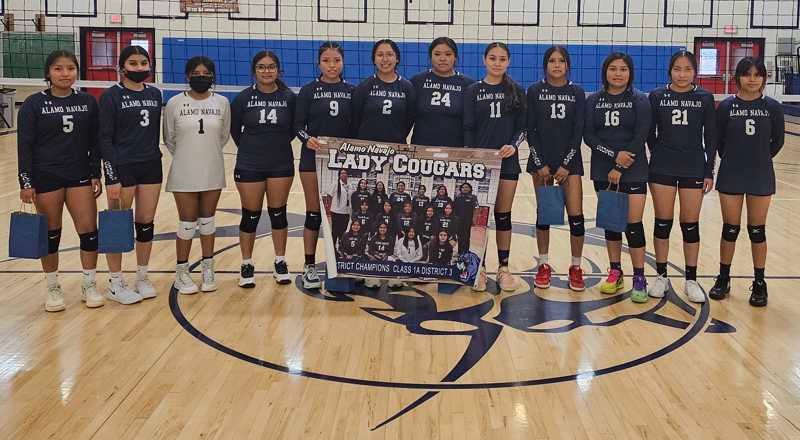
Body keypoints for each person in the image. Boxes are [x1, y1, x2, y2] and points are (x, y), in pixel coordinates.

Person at [17, 49, 103, 312]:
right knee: (50, 234)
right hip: (46, 176)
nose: (65, 73)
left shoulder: (88, 102)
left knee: (88, 231)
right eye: (58, 68)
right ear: (48, 73)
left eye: (70, 68)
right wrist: (26, 182)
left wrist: (95, 173)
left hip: (78, 175)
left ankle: (89, 283)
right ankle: (53, 287)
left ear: (77, 71)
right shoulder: (33, 104)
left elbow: (95, 142)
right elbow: (25, 145)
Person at [709, 57, 784, 307]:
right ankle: (723, 278)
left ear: (764, 78)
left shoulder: (772, 107)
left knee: (757, 230)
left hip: (761, 173)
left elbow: (778, 141)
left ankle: (760, 282)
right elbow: (718, 141)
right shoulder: (727, 106)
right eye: (747, 74)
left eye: (757, 74)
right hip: (731, 172)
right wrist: (734, 159)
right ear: (738, 77)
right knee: (730, 228)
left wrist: (759, 159)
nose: (752, 79)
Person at [646, 50, 717, 303]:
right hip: (662, 167)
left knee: (690, 223)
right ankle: (661, 276)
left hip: (693, 166)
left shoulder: (705, 98)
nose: (682, 74)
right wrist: (659, 152)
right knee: (662, 221)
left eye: (687, 69)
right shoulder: (656, 96)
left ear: (694, 72)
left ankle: (691, 279)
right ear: (670, 71)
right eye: (677, 69)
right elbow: (648, 131)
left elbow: (711, 137)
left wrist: (709, 170)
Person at [584, 52, 652, 303]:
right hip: (604, 168)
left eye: (623, 69)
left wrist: (621, 166)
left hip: (634, 169)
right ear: (605, 72)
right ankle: (615, 271)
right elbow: (589, 136)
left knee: (633, 225)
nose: (618, 73)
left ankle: (639, 276)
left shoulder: (640, 101)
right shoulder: (593, 101)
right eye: (613, 69)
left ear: (630, 72)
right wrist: (613, 157)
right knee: (612, 224)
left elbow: (641, 135)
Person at [99, 45, 163, 304]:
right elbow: (104, 139)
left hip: (150, 165)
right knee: (117, 224)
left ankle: (142, 277)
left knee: (145, 223)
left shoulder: (155, 94)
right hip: (122, 166)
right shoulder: (111, 96)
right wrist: (111, 177)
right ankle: (115, 282)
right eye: (133, 63)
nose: (139, 68)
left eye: (143, 63)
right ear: (122, 67)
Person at [163, 56, 230, 295]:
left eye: (206, 73)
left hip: (212, 168)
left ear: (212, 76)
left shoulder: (222, 102)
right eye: (196, 73)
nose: (201, 76)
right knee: (187, 223)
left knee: (208, 222)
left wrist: (204, 153)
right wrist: (188, 155)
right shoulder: (173, 103)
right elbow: (169, 138)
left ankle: (208, 269)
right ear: (187, 76)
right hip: (184, 171)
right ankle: (182, 272)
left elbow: (223, 136)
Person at [464, 42, 526, 292]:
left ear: (508, 62)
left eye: (502, 59)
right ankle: (479, 268)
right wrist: (472, 155)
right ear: (484, 60)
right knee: (480, 219)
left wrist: (513, 145)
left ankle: (504, 268)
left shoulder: (516, 91)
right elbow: (467, 127)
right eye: (492, 58)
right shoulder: (472, 91)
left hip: (507, 162)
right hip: (480, 164)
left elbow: (522, 128)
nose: (497, 63)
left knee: (503, 216)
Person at [231, 50, 297, 288]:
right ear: (254, 70)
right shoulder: (243, 98)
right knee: (250, 215)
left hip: (280, 163)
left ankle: (280, 261)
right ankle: (247, 263)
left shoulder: (289, 98)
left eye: (271, 67)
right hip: (249, 163)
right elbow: (234, 130)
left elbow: (293, 129)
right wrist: (252, 148)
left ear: (279, 70)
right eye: (261, 67)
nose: (266, 71)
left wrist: (273, 144)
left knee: (278, 213)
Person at [526, 45, 587, 291]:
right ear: (546, 65)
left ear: (567, 65)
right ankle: (543, 265)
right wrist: (540, 164)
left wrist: (565, 164)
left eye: (561, 60)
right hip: (540, 163)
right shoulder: (535, 91)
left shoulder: (577, 92)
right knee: (545, 215)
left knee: (576, 217)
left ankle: (575, 267)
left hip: (569, 164)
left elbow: (578, 130)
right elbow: (531, 130)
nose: (557, 65)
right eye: (552, 60)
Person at [295, 41, 355, 289]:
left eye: (336, 60)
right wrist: (307, 139)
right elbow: (296, 126)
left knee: (343, 215)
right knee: (314, 213)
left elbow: (358, 127)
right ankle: (309, 266)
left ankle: (344, 264)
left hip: (343, 161)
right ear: (319, 63)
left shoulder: (353, 90)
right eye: (327, 60)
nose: (332, 65)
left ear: (343, 63)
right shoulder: (309, 91)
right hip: (313, 159)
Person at [411, 37, 475, 147]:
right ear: (430, 57)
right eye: (437, 54)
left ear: (455, 57)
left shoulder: (468, 85)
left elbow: (472, 123)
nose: (442, 58)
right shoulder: (417, 82)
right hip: (421, 152)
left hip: (455, 152)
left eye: (448, 54)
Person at [351, 39, 416, 144]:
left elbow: (409, 120)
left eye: (390, 54)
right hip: (367, 148)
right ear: (374, 59)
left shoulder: (407, 87)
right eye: (380, 55)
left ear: (397, 59)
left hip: (396, 148)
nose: (385, 59)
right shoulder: (364, 87)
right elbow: (355, 120)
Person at [324, 169, 351, 249]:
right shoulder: (335, 184)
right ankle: (332, 248)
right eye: (342, 173)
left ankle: (341, 248)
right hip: (336, 211)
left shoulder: (350, 185)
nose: (344, 174)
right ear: (339, 175)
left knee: (343, 231)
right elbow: (329, 195)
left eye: (345, 173)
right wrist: (328, 207)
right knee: (335, 231)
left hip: (346, 212)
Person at [453, 182, 478, 255]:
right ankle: (460, 252)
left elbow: (476, 208)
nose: (465, 188)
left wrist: (474, 219)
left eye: (466, 187)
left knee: (466, 237)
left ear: (470, 189)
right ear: (461, 189)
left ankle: (466, 252)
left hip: (468, 220)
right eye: (463, 187)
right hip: (458, 220)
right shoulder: (458, 197)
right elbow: (454, 208)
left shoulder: (473, 197)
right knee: (460, 237)